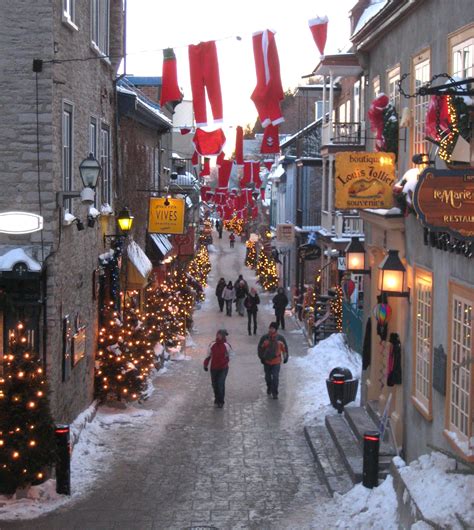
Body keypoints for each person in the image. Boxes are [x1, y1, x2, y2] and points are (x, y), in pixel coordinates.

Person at [257, 322, 289, 399]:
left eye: (273, 328)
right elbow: (260, 349)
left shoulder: (280, 338)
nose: (271, 330)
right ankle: (269, 387)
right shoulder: (265, 338)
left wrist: (285, 357)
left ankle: (275, 392)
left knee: (275, 377)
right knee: (268, 377)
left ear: (276, 329)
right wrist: (261, 357)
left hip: (276, 361)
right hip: (267, 361)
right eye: (270, 328)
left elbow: (285, 349)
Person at [203, 329, 232, 408]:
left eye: (221, 335)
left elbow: (231, 355)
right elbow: (208, 355)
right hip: (214, 368)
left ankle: (221, 401)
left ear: (223, 336)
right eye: (218, 334)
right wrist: (205, 365)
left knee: (220, 384)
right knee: (214, 384)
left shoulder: (227, 345)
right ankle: (217, 398)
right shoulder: (212, 344)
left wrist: (226, 361)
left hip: (223, 368)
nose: (219, 336)